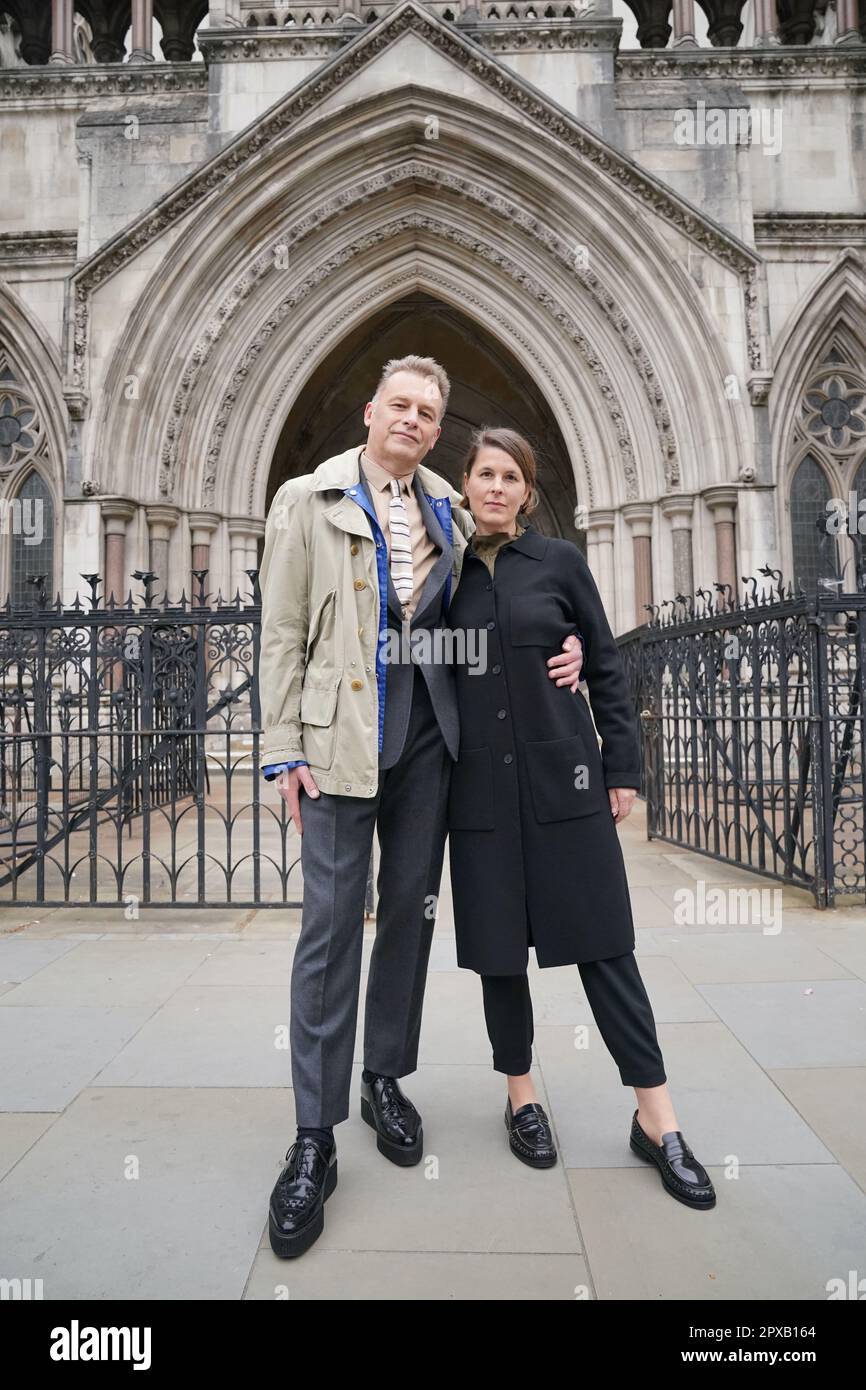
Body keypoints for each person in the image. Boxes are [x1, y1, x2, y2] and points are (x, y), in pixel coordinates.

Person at [257, 359, 585, 1256]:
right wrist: (282, 748)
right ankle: (314, 1136)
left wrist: (569, 649)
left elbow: (506, 594)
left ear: (438, 430)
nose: (411, 418)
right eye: (398, 404)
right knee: (330, 927)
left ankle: (384, 1078)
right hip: (337, 741)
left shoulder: (450, 505)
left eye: (427, 411)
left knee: (409, 912)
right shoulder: (308, 499)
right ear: (371, 412)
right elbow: (280, 629)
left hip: (431, 739)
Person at [446, 426, 716, 1210]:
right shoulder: (443, 576)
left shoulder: (559, 563)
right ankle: (522, 1098)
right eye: (485, 474)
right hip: (481, 798)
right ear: (465, 485)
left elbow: (603, 663)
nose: (497, 487)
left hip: (566, 786)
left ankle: (657, 1120)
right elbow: (424, 669)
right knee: (499, 957)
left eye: (511, 476)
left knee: (607, 948)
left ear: (528, 493)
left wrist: (622, 767)